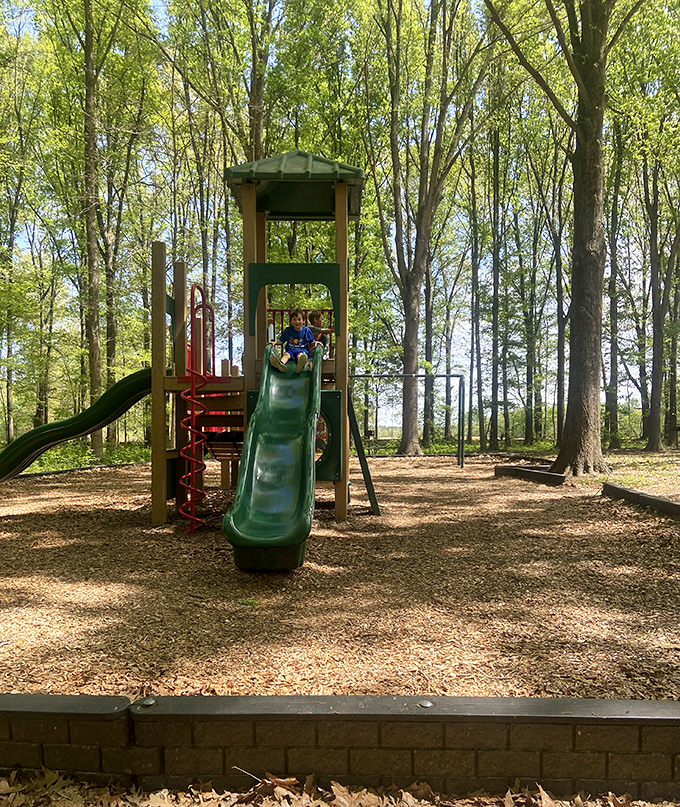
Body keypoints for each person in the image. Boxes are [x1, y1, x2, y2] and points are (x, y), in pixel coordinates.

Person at [269, 309, 317, 373]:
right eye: (294, 319)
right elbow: (281, 341)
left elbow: (311, 342)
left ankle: (300, 364)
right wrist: (275, 342)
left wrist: (316, 342)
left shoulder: (306, 330)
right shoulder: (288, 330)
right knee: (286, 355)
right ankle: (280, 364)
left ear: (303, 321)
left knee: (300, 355)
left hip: (302, 350)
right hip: (291, 350)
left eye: (299, 319)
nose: (297, 322)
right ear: (291, 321)